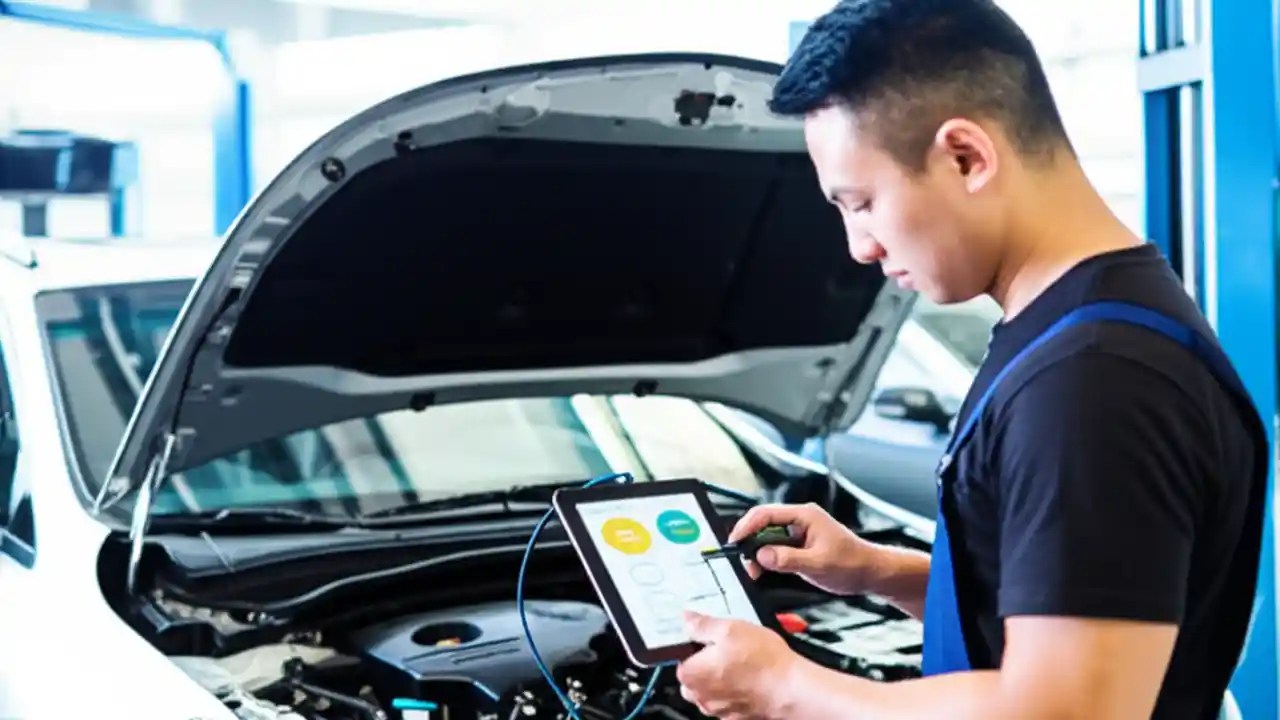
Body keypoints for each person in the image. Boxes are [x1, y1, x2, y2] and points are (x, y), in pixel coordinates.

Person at [673, 1, 1270, 718]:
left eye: (860, 202)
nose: (858, 246)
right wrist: (878, 571)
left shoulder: (1094, 382)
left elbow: (1070, 711)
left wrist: (786, 688)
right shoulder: (1086, 324)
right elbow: (1058, 615)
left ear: (967, 157)